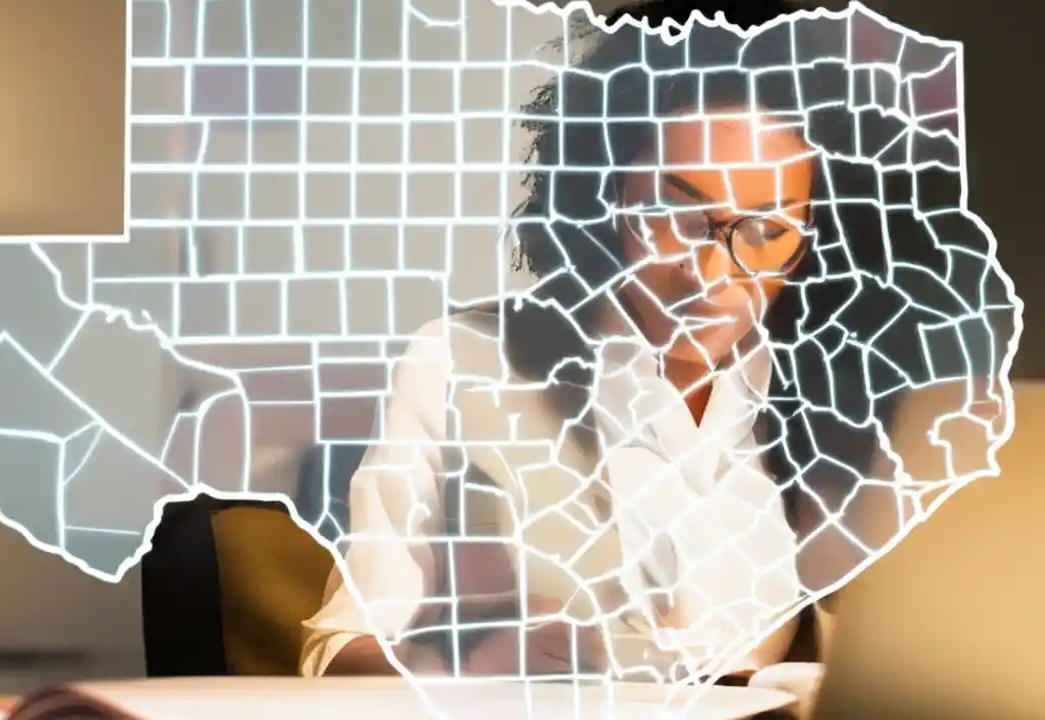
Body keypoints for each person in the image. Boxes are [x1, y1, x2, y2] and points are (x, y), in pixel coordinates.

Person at [298, 0, 1008, 683]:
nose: (713, 273)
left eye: (767, 232)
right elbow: (342, 649)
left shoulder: (843, 404)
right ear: (599, 192)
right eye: (675, 214)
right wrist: (466, 660)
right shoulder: (462, 365)